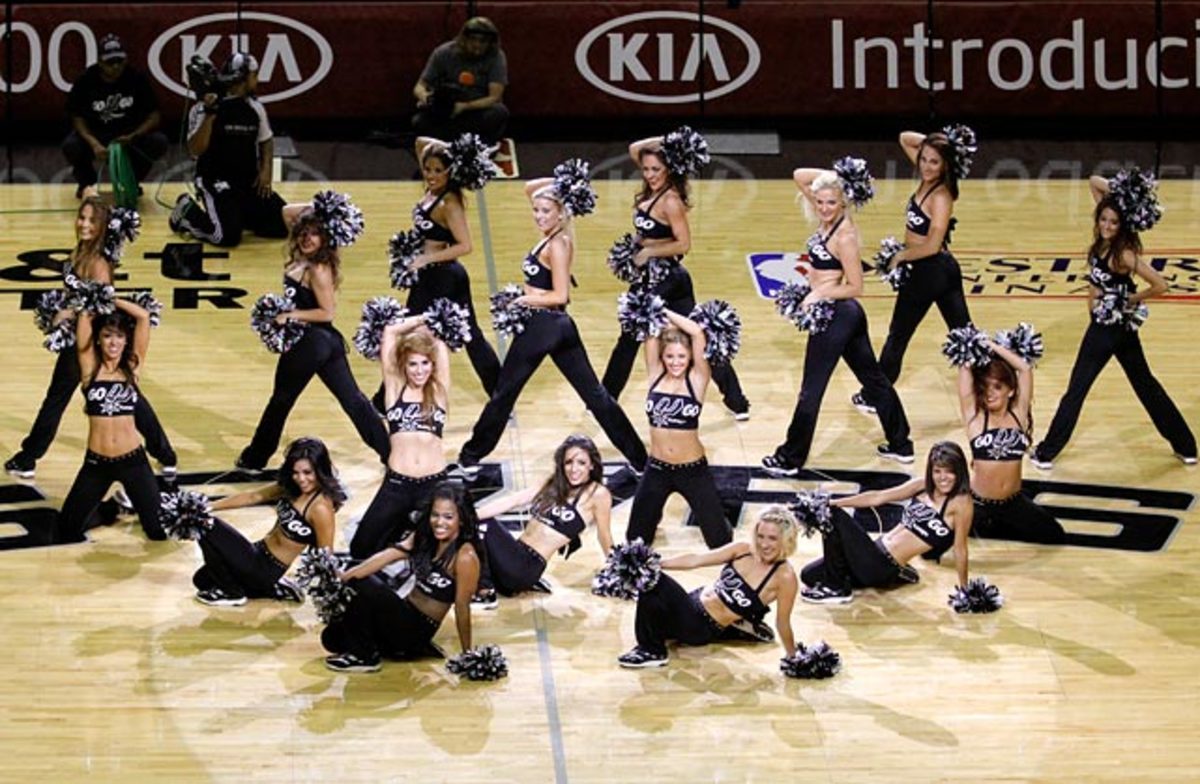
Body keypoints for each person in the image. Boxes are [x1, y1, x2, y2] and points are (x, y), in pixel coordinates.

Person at [455, 165, 647, 474]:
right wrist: (564, 185)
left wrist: (521, 299)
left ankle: (470, 456)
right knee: (596, 395)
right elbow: (530, 184)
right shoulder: (552, 237)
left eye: (546, 210)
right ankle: (639, 458)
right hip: (558, 327)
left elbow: (560, 295)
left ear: (560, 214)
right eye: (536, 210)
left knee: (504, 393)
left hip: (543, 325)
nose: (538, 215)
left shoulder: (557, 244)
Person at [6, 199, 176, 483]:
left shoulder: (99, 263)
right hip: (80, 336)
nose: (84, 224)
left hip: (89, 343)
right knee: (123, 397)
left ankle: (28, 458)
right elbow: (76, 295)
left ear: (102, 227)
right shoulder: (80, 252)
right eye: (81, 218)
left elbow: (102, 306)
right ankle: (166, 454)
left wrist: (70, 316)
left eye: (91, 221)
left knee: (71, 398)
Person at [1032, 177, 1196, 467]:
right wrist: (1125, 198)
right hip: (1115, 328)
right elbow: (1094, 182)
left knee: (1077, 389)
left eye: (1114, 222)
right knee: (1146, 385)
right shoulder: (1106, 239)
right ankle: (1186, 446)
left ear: (1123, 225)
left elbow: (1160, 284)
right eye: (1103, 219)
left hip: (1107, 329)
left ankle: (1046, 453)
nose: (1106, 225)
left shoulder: (1122, 252)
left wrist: (1131, 300)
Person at [762, 163, 913, 478]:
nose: (824, 207)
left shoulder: (844, 235)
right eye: (820, 201)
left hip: (837, 314)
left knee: (811, 389)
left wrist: (820, 294)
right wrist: (838, 180)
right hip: (844, 316)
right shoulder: (827, 219)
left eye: (832, 202)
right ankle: (901, 443)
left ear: (844, 202)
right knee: (873, 379)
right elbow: (799, 175)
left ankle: (790, 458)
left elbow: (856, 286)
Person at [602, 135, 750, 419]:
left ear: (668, 169)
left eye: (656, 169)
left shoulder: (670, 201)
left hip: (669, 279)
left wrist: (648, 252)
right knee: (629, 338)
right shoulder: (649, 192)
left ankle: (737, 400)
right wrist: (669, 140)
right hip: (649, 279)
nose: (650, 175)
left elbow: (683, 244)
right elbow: (634, 148)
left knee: (698, 337)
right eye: (646, 169)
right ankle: (606, 397)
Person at [236, 201, 389, 471]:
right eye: (303, 233)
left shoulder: (318, 268)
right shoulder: (302, 258)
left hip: (311, 342)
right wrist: (320, 207)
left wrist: (290, 316)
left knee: (281, 400)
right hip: (325, 344)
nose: (307, 238)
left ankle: (255, 458)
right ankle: (390, 453)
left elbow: (327, 312)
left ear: (325, 237)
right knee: (353, 400)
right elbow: (286, 212)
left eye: (314, 233)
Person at [854, 128, 973, 414]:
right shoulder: (927, 179)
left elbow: (932, 244)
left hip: (929, 271)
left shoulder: (941, 196)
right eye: (924, 159)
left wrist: (901, 257)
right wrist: (939, 146)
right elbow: (904, 137)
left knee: (899, 334)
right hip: (939, 271)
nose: (927, 165)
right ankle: (988, 383)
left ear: (946, 164)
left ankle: (875, 394)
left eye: (935, 162)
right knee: (965, 336)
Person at [322, 482, 482, 672]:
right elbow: (387, 556)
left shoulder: (465, 556)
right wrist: (343, 577)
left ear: (462, 519)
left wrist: (468, 654)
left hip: (415, 630)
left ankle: (365, 657)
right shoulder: (425, 536)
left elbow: (462, 607)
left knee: (363, 583)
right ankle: (376, 647)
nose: (439, 522)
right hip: (402, 614)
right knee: (331, 638)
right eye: (435, 515)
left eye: (448, 517)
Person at [616, 506, 799, 669]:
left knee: (651, 579)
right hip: (691, 601)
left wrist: (794, 658)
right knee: (650, 581)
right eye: (760, 536)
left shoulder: (785, 577)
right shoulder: (743, 549)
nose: (764, 544)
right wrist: (658, 563)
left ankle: (652, 651)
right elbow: (697, 559)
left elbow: (783, 622)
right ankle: (739, 626)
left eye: (773, 538)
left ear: (786, 540)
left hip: (700, 626)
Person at [799, 441, 974, 604]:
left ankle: (836, 589)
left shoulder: (961, 503)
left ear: (959, 471)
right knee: (809, 575)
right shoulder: (923, 485)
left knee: (832, 516)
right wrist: (835, 502)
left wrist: (964, 590)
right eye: (937, 471)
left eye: (949, 471)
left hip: (881, 565)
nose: (943, 477)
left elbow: (960, 548)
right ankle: (897, 575)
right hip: (873, 551)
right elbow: (878, 497)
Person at [57, 297, 165, 543]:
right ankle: (114, 508)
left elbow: (142, 317)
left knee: (157, 531)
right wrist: (96, 301)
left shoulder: (132, 366)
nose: (113, 342)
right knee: (66, 529)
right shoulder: (90, 368)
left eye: (119, 336)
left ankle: (135, 502)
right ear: (98, 339)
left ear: (127, 340)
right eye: (107, 335)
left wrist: (111, 299)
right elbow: (85, 316)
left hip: (133, 462)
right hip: (97, 464)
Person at [194, 437, 345, 606]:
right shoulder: (291, 487)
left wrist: (331, 596)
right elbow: (253, 496)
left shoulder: (321, 508)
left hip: (265, 569)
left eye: (307, 472)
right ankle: (268, 589)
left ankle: (233, 593)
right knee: (202, 580)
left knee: (204, 524)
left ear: (320, 470)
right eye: (295, 472)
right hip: (257, 551)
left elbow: (325, 556)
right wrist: (207, 506)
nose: (301, 479)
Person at [625, 310, 731, 549]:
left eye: (682, 356)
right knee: (635, 541)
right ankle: (652, 514)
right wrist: (651, 311)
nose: (675, 362)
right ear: (661, 357)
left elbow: (696, 331)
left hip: (692, 471)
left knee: (720, 542)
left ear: (691, 357)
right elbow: (649, 326)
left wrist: (662, 310)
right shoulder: (655, 375)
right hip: (657, 469)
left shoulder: (697, 378)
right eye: (670, 356)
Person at [403, 136, 500, 394]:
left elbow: (465, 245)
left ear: (450, 172)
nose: (431, 175)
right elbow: (420, 141)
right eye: (427, 169)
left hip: (444, 276)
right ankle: (500, 391)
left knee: (466, 335)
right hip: (429, 276)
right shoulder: (431, 191)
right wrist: (453, 152)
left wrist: (426, 258)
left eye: (438, 170)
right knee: (411, 330)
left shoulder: (449, 203)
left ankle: (500, 393)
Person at [471, 434, 613, 607]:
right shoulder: (554, 483)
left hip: (526, 567)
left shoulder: (598, 494)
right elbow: (514, 500)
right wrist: (470, 515)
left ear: (592, 465)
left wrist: (618, 570)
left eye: (581, 463)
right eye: (568, 462)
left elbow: (604, 536)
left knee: (484, 526)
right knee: (476, 522)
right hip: (515, 555)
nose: (574, 469)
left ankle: (485, 593)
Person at [350, 318, 452, 559]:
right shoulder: (395, 389)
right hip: (397, 485)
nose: (419, 370)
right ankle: (404, 527)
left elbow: (439, 340)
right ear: (403, 367)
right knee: (360, 548)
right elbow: (390, 331)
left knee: (445, 552)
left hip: (433, 486)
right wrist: (423, 320)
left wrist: (432, 323)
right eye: (413, 364)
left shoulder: (438, 391)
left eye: (425, 363)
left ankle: (411, 529)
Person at [168, 52, 288, 247]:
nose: (257, 80)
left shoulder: (255, 108)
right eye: (254, 75)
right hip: (214, 180)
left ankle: (238, 215)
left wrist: (266, 170)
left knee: (281, 226)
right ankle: (186, 212)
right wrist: (210, 115)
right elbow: (195, 150)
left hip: (246, 180)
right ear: (243, 79)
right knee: (225, 237)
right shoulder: (202, 108)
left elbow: (266, 140)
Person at [960, 340, 1065, 544]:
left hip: (1013, 502)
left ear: (1010, 390)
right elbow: (965, 367)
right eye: (985, 387)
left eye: (997, 387)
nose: (990, 393)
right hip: (979, 503)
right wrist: (977, 349)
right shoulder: (975, 418)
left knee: (1055, 535)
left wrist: (994, 347)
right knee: (939, 543)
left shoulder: (1018, 415)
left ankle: (998, 524)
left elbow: (1024, 369)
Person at [63, 33, 167, 199]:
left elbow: (154, 115)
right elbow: (76, 117)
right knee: (71, 146)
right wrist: (93, 143)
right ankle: (87, 184)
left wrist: (134, 136)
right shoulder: (85, 80)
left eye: (120, 61)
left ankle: (131, 181)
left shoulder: (137, 78)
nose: (116, 66)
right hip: (97, 134)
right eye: (110, 62)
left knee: (158, 142)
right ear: (99, 61)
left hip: (128, 135)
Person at [412, 17, 509, 144]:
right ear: (464, 38)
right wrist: (427, 98)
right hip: (447, 110)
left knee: (499, 113)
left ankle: (451, 138)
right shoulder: (443, 53)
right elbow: (419, 86)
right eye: (473, 39)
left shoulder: (496, 57)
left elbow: (494, 97)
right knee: (418, 122)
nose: (477, 45)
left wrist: (464, 107)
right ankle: (466, 139)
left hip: (476, 109)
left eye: (483, 41)